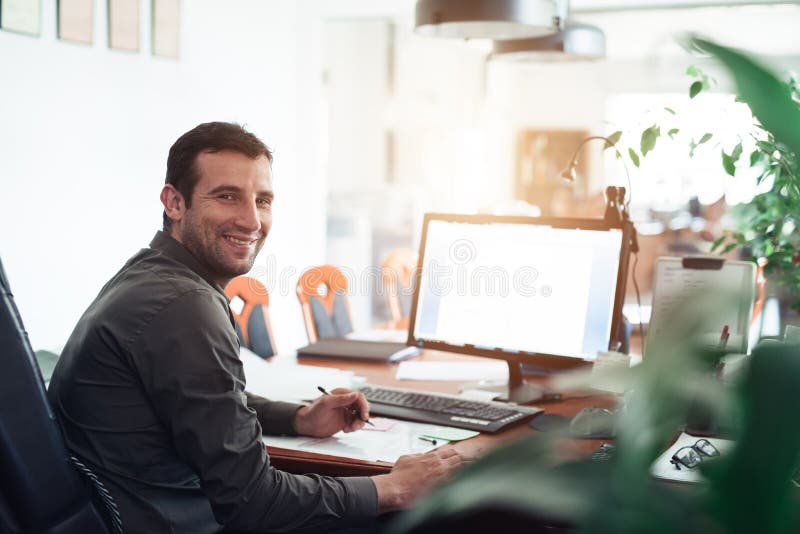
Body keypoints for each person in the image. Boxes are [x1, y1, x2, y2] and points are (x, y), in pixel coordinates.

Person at [47, 122, 466, 533]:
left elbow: (207, 403)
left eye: (262, 200)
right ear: (174, 202)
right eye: (227, 196)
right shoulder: (183, 305)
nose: (252, 221)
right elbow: (254, 503)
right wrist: (393, 488)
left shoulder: (152, 274)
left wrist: (300, 419)